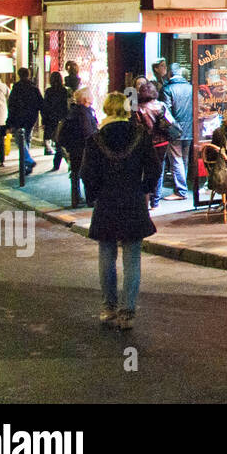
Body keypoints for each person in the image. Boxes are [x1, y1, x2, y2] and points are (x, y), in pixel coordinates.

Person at [80, 92, 159, 331]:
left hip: (106, 202)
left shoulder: (95, 140)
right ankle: (128, 312)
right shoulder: (140, 136)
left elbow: (86, 174)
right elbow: (154, 169)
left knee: (106, 256)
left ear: (106, 110)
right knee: (132, 259)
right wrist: (144, 188)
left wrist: (93, 195)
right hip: (133, 201)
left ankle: (108, 308)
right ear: (126, 110)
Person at [137, 82, 176, 206]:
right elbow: (171, 122)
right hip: (162, 142)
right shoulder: (161, 105)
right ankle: (155, 200)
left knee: (145, 170)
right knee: (159, 169)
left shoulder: (139, 108)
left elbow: (137, 127)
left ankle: (146, 199)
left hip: (146, 142)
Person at [159, 63, 194, 203]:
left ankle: (180, 190)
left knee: (176, 160)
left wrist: (171, 128)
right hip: (190, 129)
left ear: (170, 74)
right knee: (183, 160)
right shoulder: (191, 87)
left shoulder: (167, 89)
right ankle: (182, 187)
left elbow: (165, 111)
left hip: (175, 130)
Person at [59, 88, 99, 206]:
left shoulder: (74, 110)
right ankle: (90, 199)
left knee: (76, 172)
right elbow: (87, 132)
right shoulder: (84, 113)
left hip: (74, 147)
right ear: (86, 98)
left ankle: (75, 199)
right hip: (83, 148)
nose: (92, 97)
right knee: (88, 172)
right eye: (90, 95)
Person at [5, 68, 43, 177]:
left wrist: (9, 122)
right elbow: (40, 104)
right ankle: (26, 165)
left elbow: (12, 107)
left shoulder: (16, 88)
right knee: (26, 139)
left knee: (20, 141)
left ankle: (28, 161)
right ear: (29, 75)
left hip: (19, 119)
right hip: (31, 118)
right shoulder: (34, 88)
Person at [41, 71, 70, 172]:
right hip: (63, 119)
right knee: (61, 142)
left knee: (57, 141)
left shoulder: (49, 91)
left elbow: (45, 107)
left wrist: (44, 121)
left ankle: (57, 164)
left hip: (52, 119)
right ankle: (64, 162)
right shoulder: (65, 91)